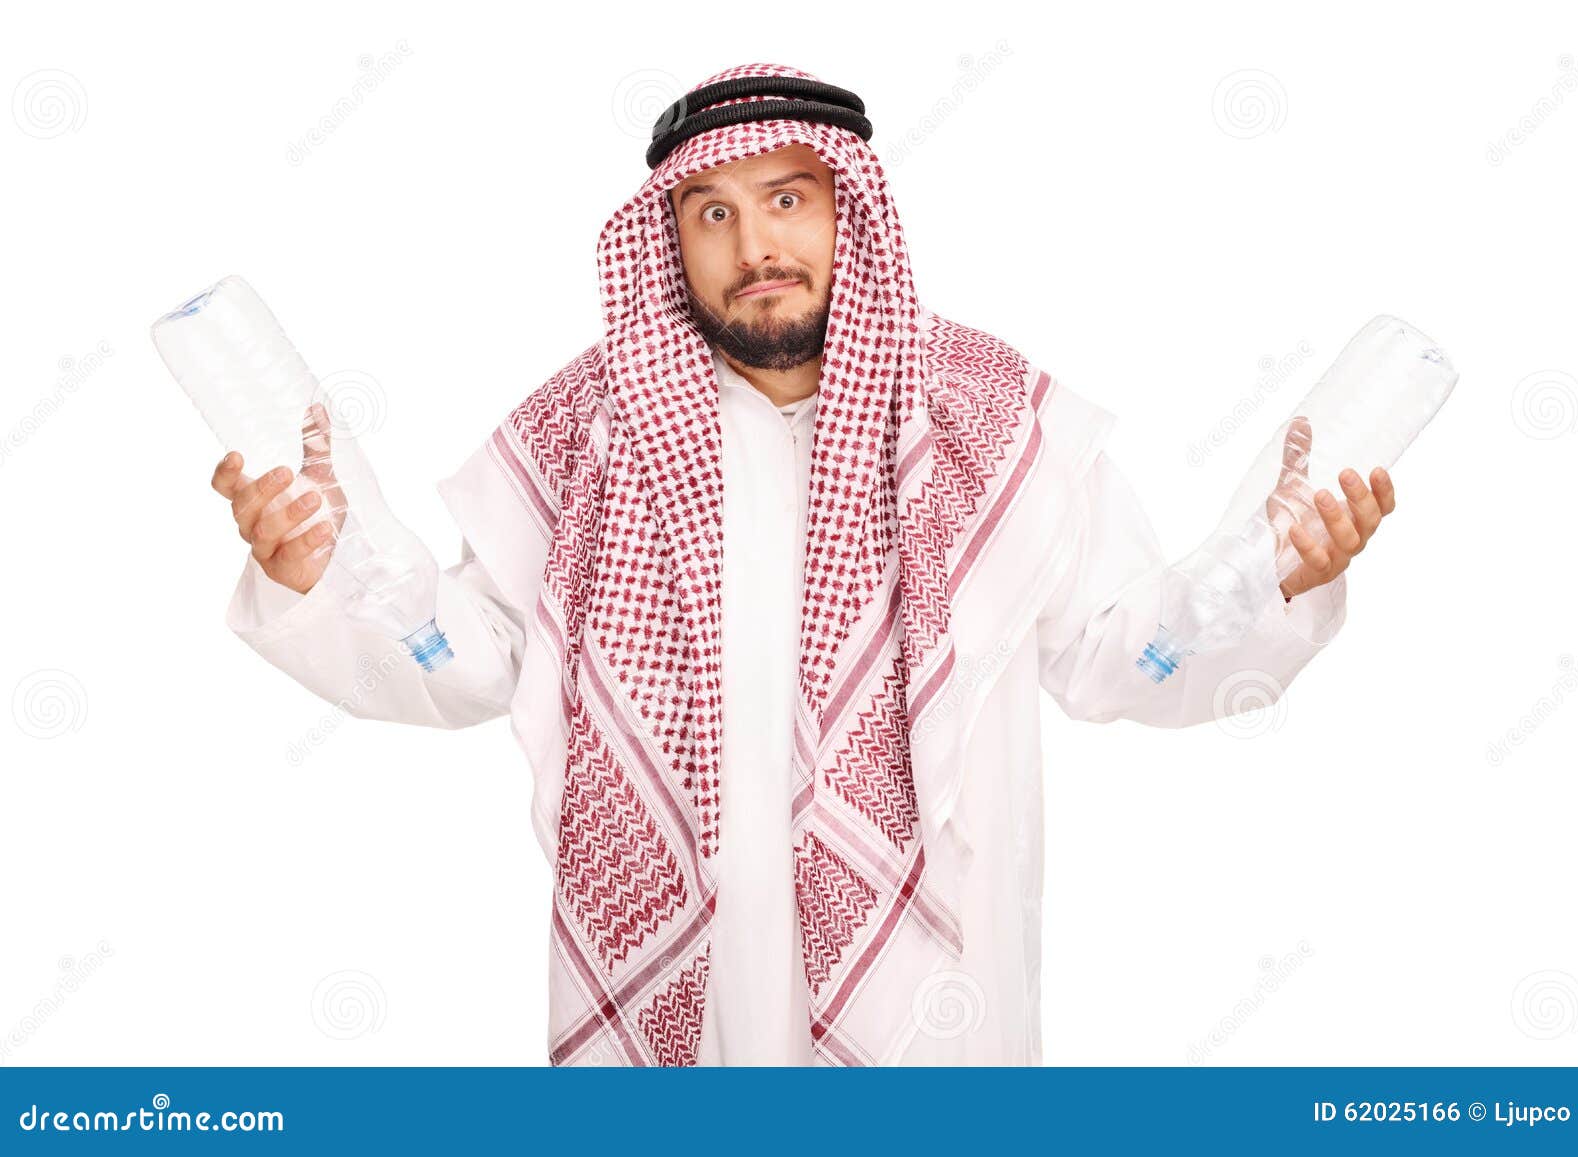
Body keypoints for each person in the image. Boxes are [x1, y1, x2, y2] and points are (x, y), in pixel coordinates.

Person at [210, 63, 1393, 1066]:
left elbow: (1120, 658)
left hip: (933, 1011)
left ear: (851, 210)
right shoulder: (591, 431)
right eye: (711, 213)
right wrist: (323, 573)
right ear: (669, 236)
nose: (755, 245)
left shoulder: (986, 420)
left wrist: (1275, 578)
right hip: (679, 1007)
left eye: (787, 198)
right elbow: (472, 662)